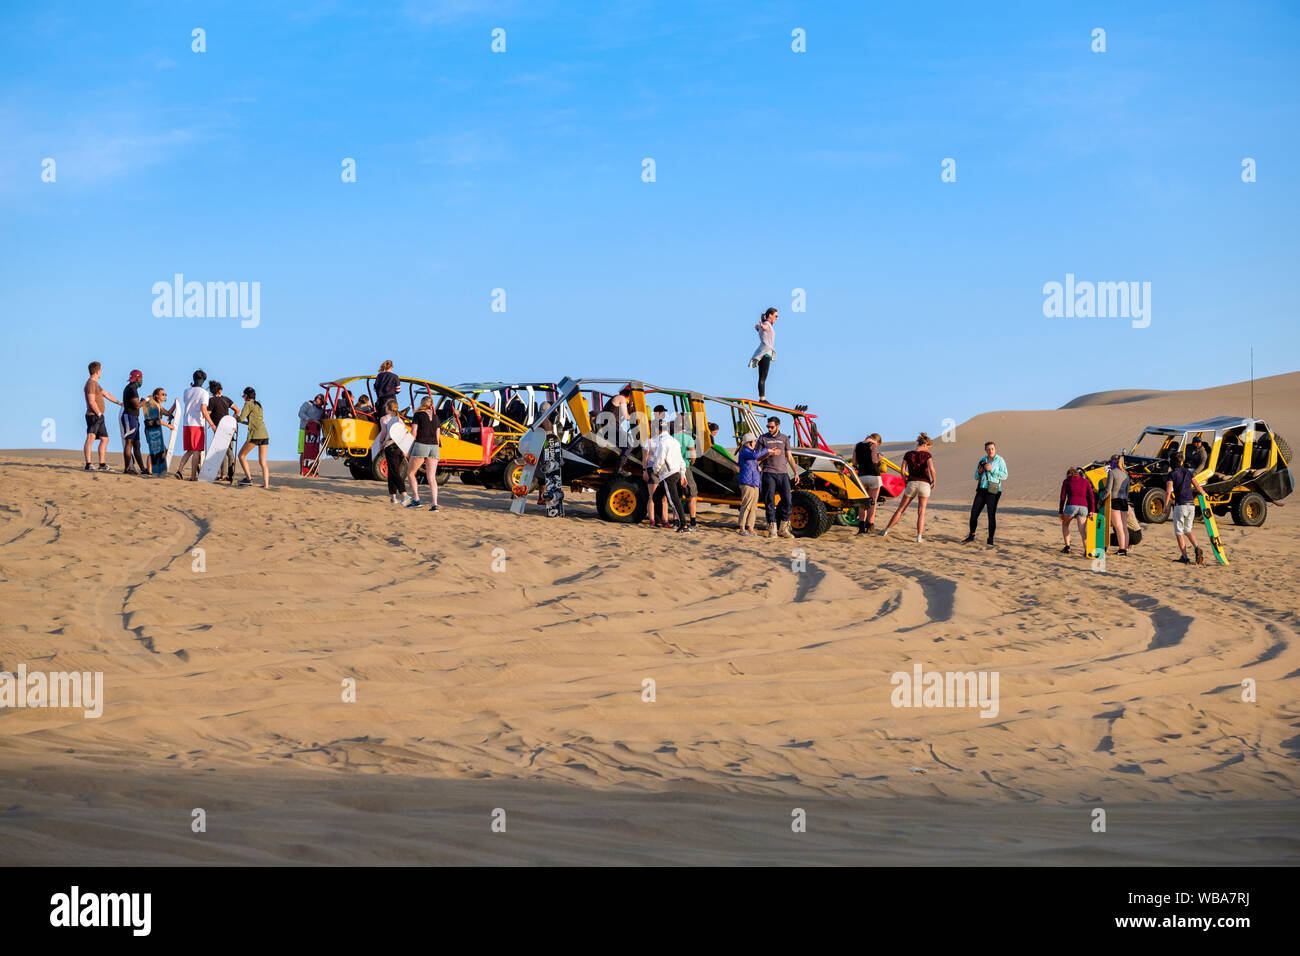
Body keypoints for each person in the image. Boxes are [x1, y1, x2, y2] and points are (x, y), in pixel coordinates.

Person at [1162, 451, 1208, 565]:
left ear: (1172, 463)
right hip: (1191, 505)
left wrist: (1165, 506)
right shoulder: (1187, 472)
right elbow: (1197, 486)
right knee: (1188, 530)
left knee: (1179, 531)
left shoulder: (1171, 474)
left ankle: (1185, 557)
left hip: (1180, 505)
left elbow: (1168, 492)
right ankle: (1197, 547)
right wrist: (1204, 494)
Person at [758, 415, 800, 538]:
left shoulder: (784, 438)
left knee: (788, 500)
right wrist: (768, 453)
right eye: (768, 427)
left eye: (771, 427)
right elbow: (757, 457)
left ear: (778, 426)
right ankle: (772, 528)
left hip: (783, 474)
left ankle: (783, 528)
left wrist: (796, 472)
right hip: (768, 473)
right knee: (770, 501)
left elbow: (789, 456)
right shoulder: (763, 438)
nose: (769, 429)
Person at [645, 414, 688, 533]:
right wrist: (683, 475)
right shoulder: (674, 441)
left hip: (668, 475)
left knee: (674, 500)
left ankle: (683, 525)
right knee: (656, 496)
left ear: (657, 430)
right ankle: (658, 521)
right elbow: (681, 460)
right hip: (676, 472)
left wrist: (655, 471)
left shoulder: (662, 442)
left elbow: (659, 460)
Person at [964, 441, 1008, 545]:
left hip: (993, 491)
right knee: (974, 513)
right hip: (981, 489)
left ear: (995, 449)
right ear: (985, 450)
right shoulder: (982, 460)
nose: (990, 451)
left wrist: (992, 470)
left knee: (991, 515)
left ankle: (990, 539)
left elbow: (1005, 475)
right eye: (988, 449)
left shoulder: (1000, 460)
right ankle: (971, 535)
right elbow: (975, 477)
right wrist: (979, 472)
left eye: (992, 449)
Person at [83, 361, 122, 472]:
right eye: (100, 370)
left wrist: (119, 402)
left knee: (105, 439)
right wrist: (99, 413)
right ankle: (88, 464)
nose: (101, 372)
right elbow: (91, 401)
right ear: (97, 371)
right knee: (90, 438)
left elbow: (106, 394)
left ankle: (102, 464)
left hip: (99, 416)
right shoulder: (90, 384)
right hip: (93, 416)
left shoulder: (96, 384)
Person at [176, 370, 215, 480]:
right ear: (203, 380)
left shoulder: (186, 391)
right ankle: (193, 476)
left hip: (186, 424)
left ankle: (179, 470)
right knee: (197, 451)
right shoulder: (204, 393)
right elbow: (203, 409)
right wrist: (212, 424)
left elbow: (189, 401)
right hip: (197, 425)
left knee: (189, 450)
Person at [405, 396, 441, 511]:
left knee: (411, 473)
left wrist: (406, 447)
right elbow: (438, 436)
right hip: (434, 446)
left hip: (421, 444)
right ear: (431, 404)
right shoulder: (436, 417)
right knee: (431, 477)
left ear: (422, 403)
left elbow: (413, 432)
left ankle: (416, 499)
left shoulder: (418, 415)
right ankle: (434, 504)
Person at [236, 387, 270, 488]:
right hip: (264, 434)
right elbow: (254, 422)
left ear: (246, 396)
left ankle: (248, 479)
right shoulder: (258, 405)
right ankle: (266, 485)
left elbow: (241, 418)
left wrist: (235, 418)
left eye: (243, 395)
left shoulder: (248, 404)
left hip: (255, 435)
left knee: (241, 455)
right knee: (263, 461)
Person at [736, 433, 770, 535]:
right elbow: (754, 456)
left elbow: (752, 462)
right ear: (749, 442)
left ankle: (750, 528)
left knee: (754, 507)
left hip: (754, 483)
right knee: (746, 505)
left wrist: (757, 468)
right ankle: (742, 528)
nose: (755, 443)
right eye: (754, 441)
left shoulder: (750, 452)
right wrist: (766, 449)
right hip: (747, 483)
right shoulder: (745, 451)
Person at [1057, 466, 1095, 554]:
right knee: (1082, 530)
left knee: (1065, 525)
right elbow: (1091, 497)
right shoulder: (1085, 481)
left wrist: (1060, 511)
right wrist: (1092, 510)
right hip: (1083, 507)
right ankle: (1087, 550)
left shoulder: (1066, 481)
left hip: (1071, 506)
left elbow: (1062, 497)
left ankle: (1067, 547)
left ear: (1068, 474)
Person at [207, 382, 239, 485]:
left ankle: (226, 475)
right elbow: (237, 410)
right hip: (229, 428)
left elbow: (208, 414)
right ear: (220, 390)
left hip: (219, 429)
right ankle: (227, 475)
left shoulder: (211, 401)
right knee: (228, 451)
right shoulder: (226, 399)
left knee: (223, 452)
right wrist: (232, 420)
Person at [853, 432, 884, 535]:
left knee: (862, 503)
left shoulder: (857, 446)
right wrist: (879, 458)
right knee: (872, 502)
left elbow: (854, 462)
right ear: (876, 441)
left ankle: (861, 527)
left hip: (861, 477)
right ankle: (870, 526)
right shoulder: (873, 445)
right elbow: (874, 461)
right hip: (874, 475)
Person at [674, 413, 701, 531]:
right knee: (692, 494)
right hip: (685, 467)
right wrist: (692, 461)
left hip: (673, 469)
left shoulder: (671, 437)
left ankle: (676, 521)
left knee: (677, 495)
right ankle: (693, 522)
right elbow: (692, 454)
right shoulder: (688, 438)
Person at [377, 399, 407, 504]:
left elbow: (384, 432)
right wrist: (405, 449)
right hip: (399, 447)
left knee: (394, 472)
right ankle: (393, 497)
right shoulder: (399, 419)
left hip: (390, 447)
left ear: (387, 408)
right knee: (392, 471)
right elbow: (404, 433)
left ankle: (404, 495)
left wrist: (380, 442)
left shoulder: (384, 418)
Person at [141, 387, 175, 475]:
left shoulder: (159, 405)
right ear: (156, 396)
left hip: (155, 429)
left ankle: (150, 469)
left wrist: (175, 404)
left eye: (165, 394)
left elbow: (167, 413)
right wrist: (168, 426)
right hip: (151, 429)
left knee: (161, 450)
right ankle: (149, 470)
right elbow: (157, 420)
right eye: (162, 394)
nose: (164, 396)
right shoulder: (154, 405)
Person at [119, 369, 147, 475]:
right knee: (129, 442)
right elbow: (136, 405)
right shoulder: (132, 388)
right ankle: (127, 469)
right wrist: (146, 400)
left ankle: (142, 468)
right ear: (137, 378)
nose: (142, 380)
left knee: (137, 444)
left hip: (134, 418)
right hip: (129, 417)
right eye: (141, 378)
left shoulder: (131, 388)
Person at [748, 307, 778, 402]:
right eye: (776, 316)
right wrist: (762, 326)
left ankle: (762, 397)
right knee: (763, 377)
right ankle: (762, 398)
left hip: (762, 352)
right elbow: (765, 327)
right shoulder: (767, 324)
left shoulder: (765, 325)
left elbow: (762, 331)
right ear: (770, 316)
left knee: (761, 377)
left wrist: (758, 328)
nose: (777, 318)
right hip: (766, 354)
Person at [1106, 454, 1131, 556]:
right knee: (1124, 527)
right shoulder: (1126, 474)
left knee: (1118, 527)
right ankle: (1125, 548)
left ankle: (1121, 549)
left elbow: (1108, 490)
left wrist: (1101, 501)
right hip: (1124, 501)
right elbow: (1127, 490)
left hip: (1115, 500)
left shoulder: (1112, 473)